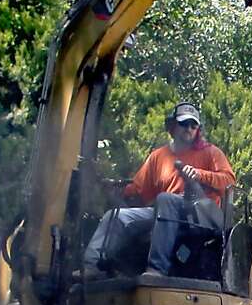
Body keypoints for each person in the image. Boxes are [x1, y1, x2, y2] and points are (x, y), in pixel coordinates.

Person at [84, 103, 238, 276]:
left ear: (198, 130)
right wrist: (114, 189)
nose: (188, 128)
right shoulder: (158, 156)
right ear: (172, 126)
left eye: (193, 125)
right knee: (116, 216)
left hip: (202, 215)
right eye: (184, 123)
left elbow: (229, 180)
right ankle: (91, 267)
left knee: (166, 199)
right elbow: (138, 190)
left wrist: (199, 174)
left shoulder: (211, 153)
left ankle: (157, 269)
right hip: (166, 212)